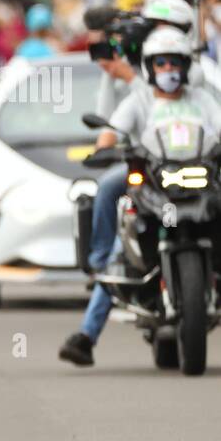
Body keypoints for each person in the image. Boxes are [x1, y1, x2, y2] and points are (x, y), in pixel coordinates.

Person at [60, 26, 221, 366]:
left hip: (199, 180)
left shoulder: (202, 100)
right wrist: (105, 149)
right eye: (160, 63)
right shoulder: (139, 99)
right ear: (150, 67)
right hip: (153, 184)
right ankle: (88, 326)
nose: (168, 70)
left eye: (174, 62)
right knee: (123, 248)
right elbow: (110, 133)